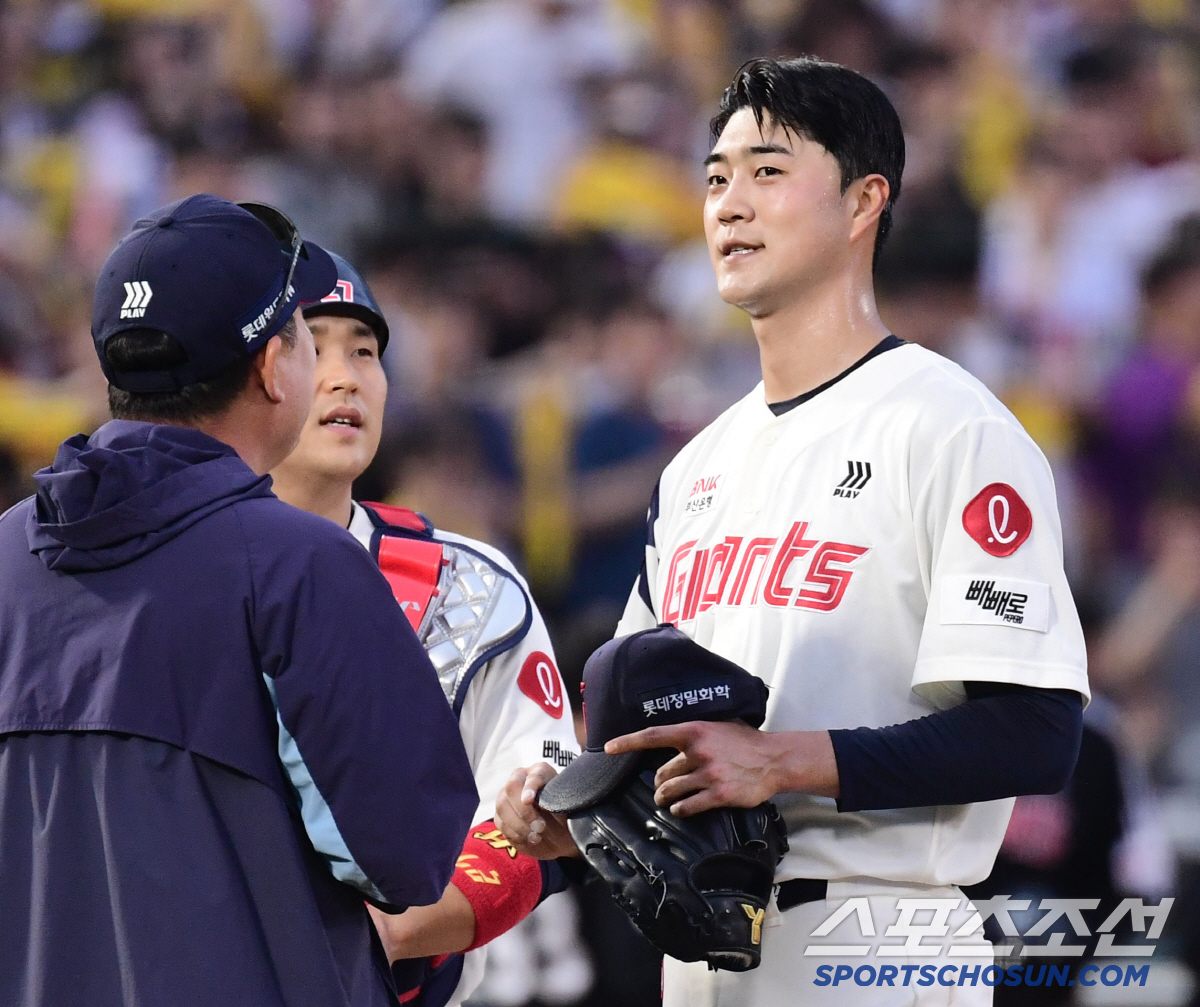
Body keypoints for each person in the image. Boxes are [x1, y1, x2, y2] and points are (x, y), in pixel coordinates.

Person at [497, 57, 1090, 1006]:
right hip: (699, 948)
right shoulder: (697, 466)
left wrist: (783, 760)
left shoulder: (950, 427)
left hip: (879, 936)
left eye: (767, 171)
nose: (729, 203)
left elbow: (1036, 731)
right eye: (716, 177)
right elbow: (641, 728)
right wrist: (572, 800)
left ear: (864, 201)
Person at [0, 194, 479, 1007]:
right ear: (270, 368)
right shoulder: (302, 565)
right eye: (306, 334)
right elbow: (407, 856)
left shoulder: (7, 553)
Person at [269, 252, 581, 1007]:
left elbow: (543, 820)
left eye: (365, 352)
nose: (345, 378)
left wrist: (384, 933)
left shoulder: (468, 584)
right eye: (313, 346)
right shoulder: (158, 574)